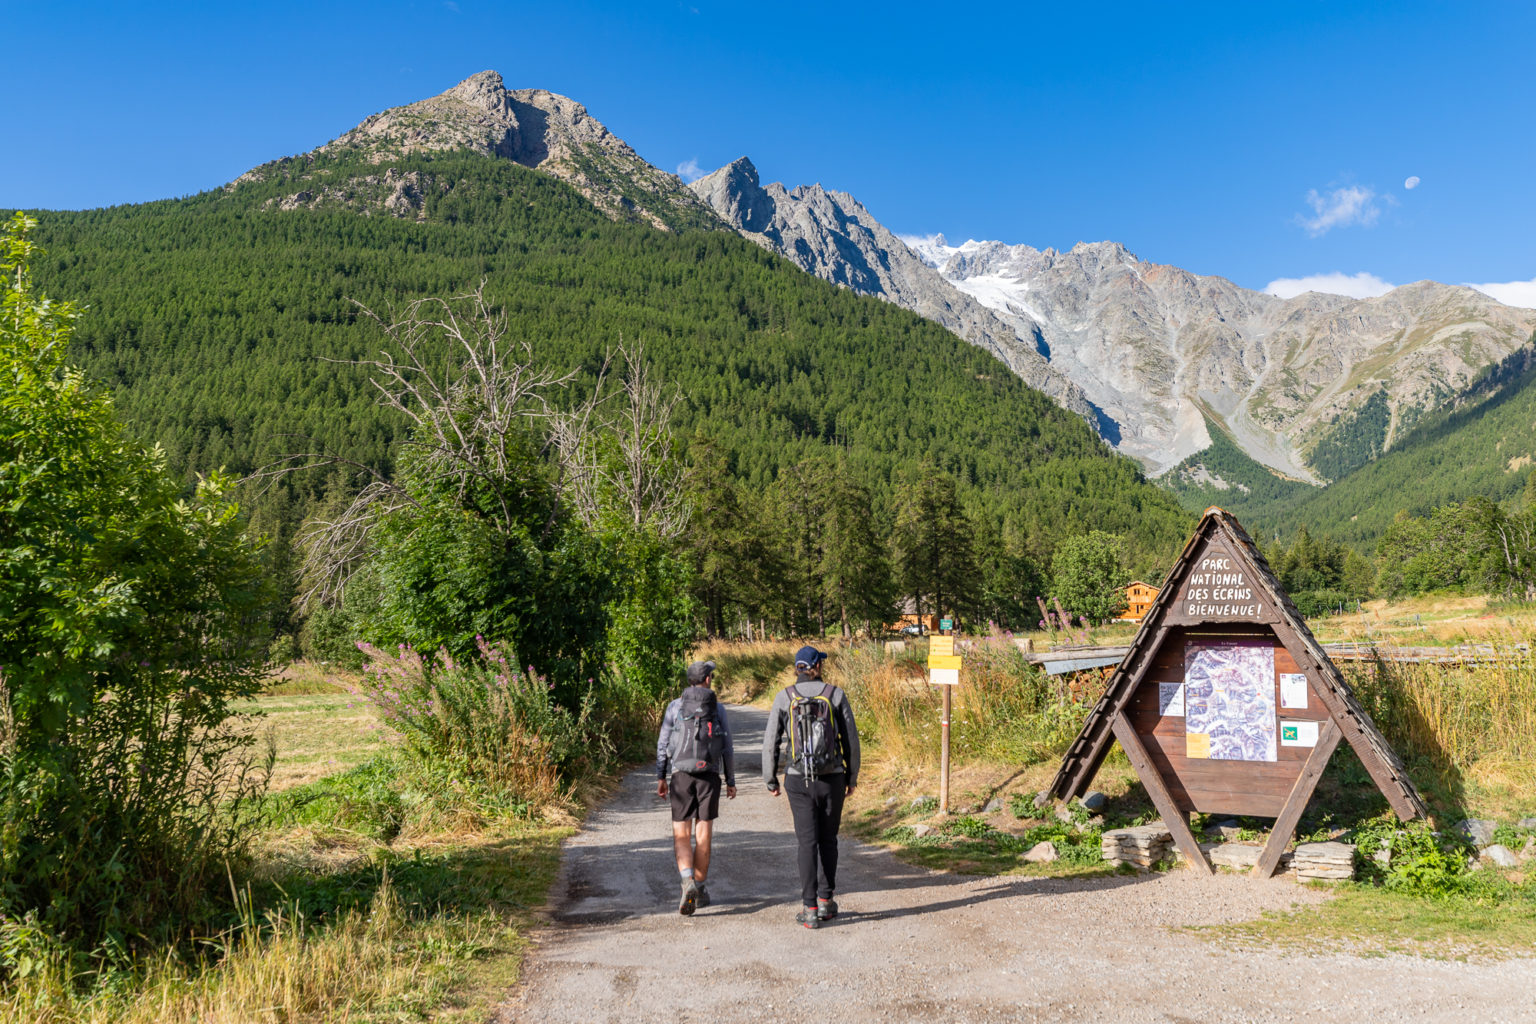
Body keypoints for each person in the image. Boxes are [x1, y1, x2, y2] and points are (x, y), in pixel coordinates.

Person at [762, 645, 860, 929]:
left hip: (797, 779)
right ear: (817, 666)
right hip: (832, 778)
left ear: (798, 668)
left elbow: (771, 743)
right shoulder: (835, 694)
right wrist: (851, 777)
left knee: (806, 843)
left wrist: (770, 779)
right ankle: (827, 902)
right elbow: (850, 741)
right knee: (829, 841)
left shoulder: (785, 697)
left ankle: (809, 909)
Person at [656, 659, 736, 916]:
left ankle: (687, 881)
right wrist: (730, 780)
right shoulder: (717, 708)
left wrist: (661, 776)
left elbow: (663, 743)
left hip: (681, 776)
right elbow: (727, 747)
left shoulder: (674, 706)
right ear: (708, 680)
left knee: (681, 835)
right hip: (709, 776)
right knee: (703, 836)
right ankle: (699, 890)